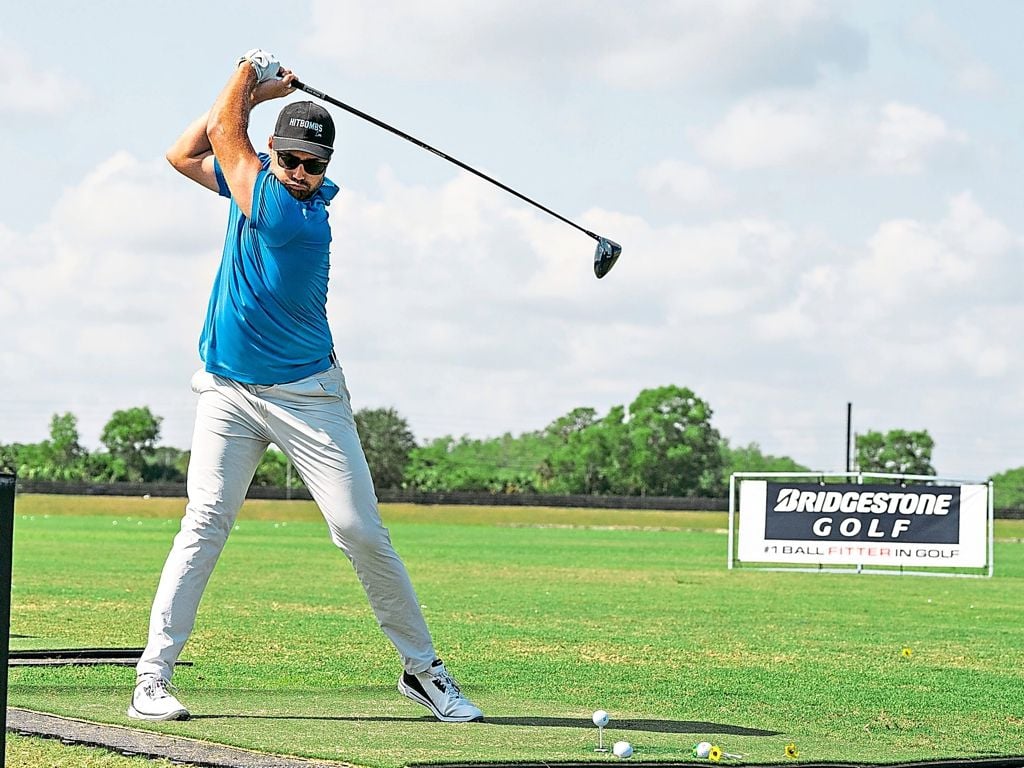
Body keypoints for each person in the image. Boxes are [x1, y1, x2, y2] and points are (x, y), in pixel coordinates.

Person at [128, 49, 482, 724]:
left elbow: (225, 136)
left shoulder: (295, 217)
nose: (299, 175)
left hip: (308, 396)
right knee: (203, 524)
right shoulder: (252, 184)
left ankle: (424, 671)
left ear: (325, 172)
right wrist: (257, 97)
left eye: (312, 167)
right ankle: (152, 676)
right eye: (289, 161)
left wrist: (247, 77)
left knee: (359, 530)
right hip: (229, 392)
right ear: (275, 154)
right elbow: (182, 154)